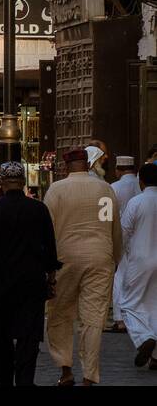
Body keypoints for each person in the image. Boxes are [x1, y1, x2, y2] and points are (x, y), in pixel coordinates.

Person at [0, 161, 61, 386]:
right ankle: (25, 381)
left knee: (0, 335)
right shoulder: (38, 209)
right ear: (24, 183)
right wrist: (51, 279)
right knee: (28, 337)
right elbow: (50, 248)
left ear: (1, 184)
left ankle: (3, 381)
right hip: (31, 282)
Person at [43, 146, 123, 386]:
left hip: (64, 256)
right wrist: (115, 257)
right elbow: (112, 227)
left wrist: (48, 267)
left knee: (59, 313)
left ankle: (65, 369)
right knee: (93, 317)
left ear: (66, 167)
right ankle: (89, 376)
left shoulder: (56, 190)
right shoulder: (105, 189)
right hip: (100, 256)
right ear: (88, 165)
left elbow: (47, 230)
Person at [117, 163, 157, 369]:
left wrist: (123, 255)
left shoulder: (137, 202)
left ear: (141, 181)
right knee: (155, 304)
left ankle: (144, 338)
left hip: (140, 259)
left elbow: (123, 233)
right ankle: (156, 356)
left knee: (129, 304)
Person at [110, 155, 141, 332]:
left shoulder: (114, 187)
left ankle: (120, 319)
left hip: (122, 235)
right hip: (143, 236)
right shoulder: (140, 184)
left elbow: (107, 215)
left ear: (118, 169)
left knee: (120, 276)